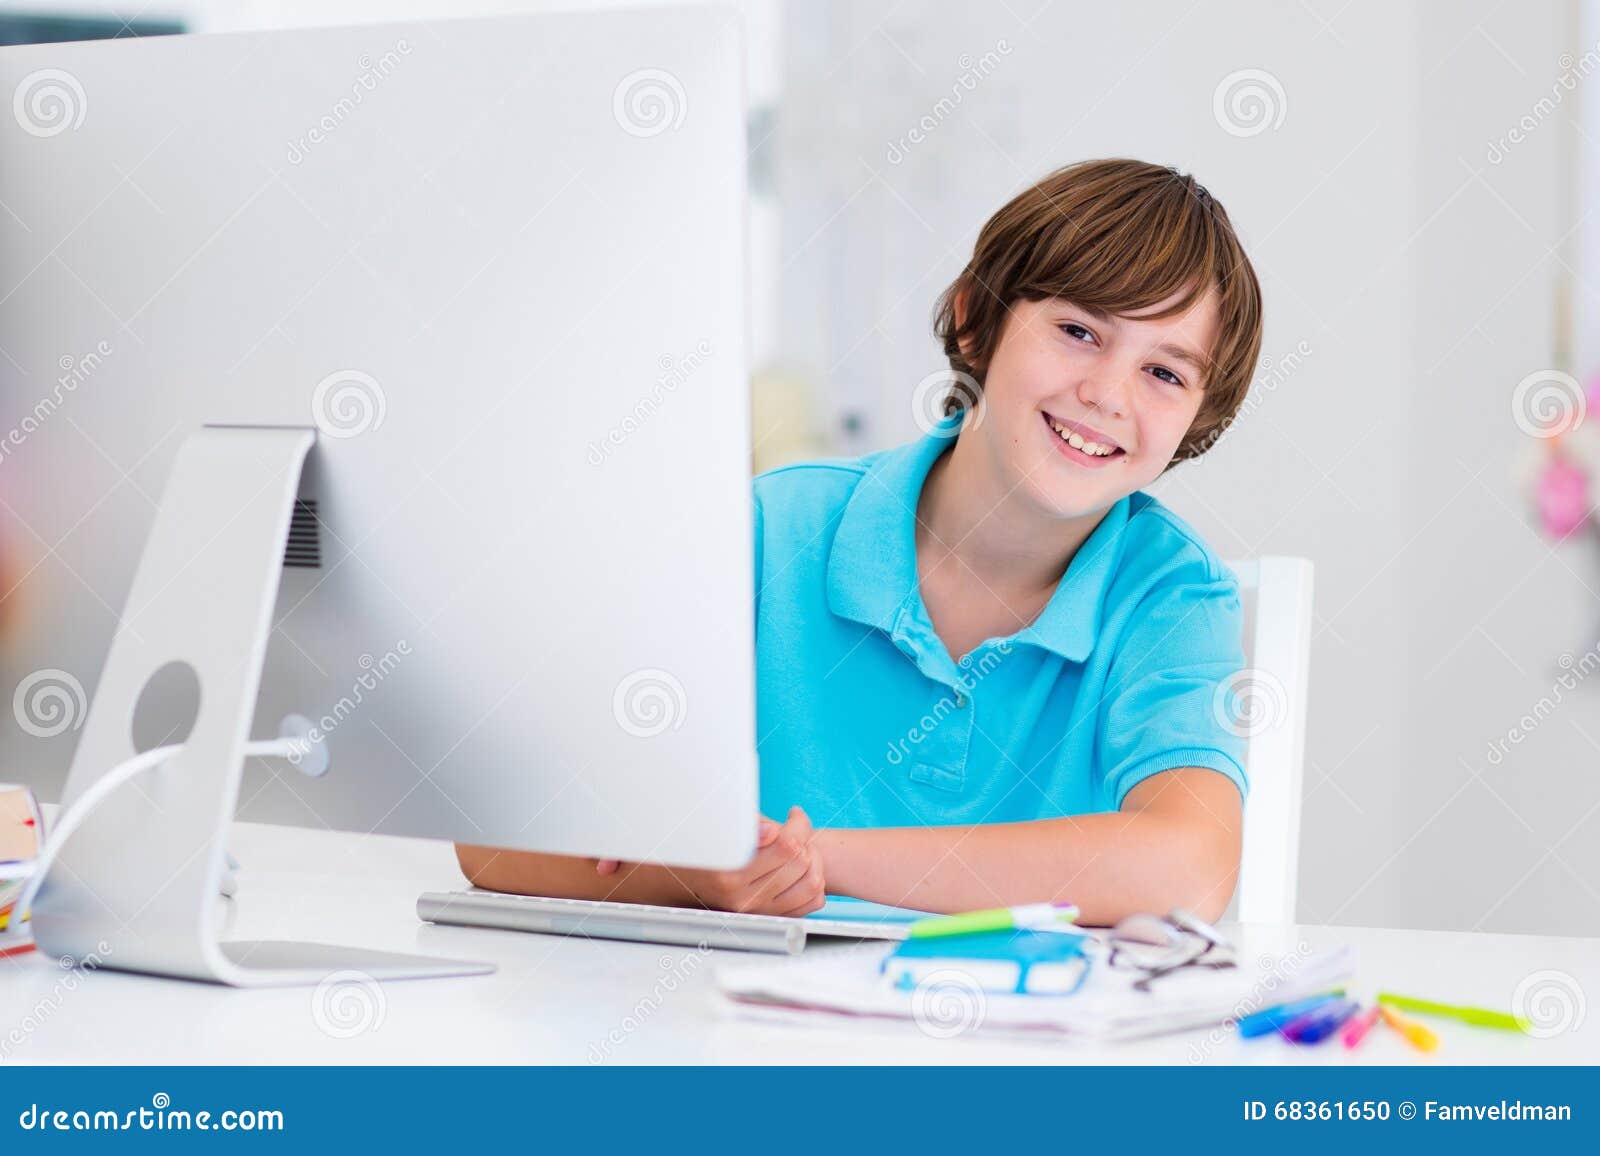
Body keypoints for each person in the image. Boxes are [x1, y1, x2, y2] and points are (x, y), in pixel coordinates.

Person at [457, 158, 1265, 926]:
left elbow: (1187, 869)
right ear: (975, 321)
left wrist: (818, 861)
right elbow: (495, 834)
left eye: (1165, 373)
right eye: (1079, 332)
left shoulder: (1171, 594)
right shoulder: (774, 532)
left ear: (1199, 416)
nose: (1106, 394)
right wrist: (699, 872)